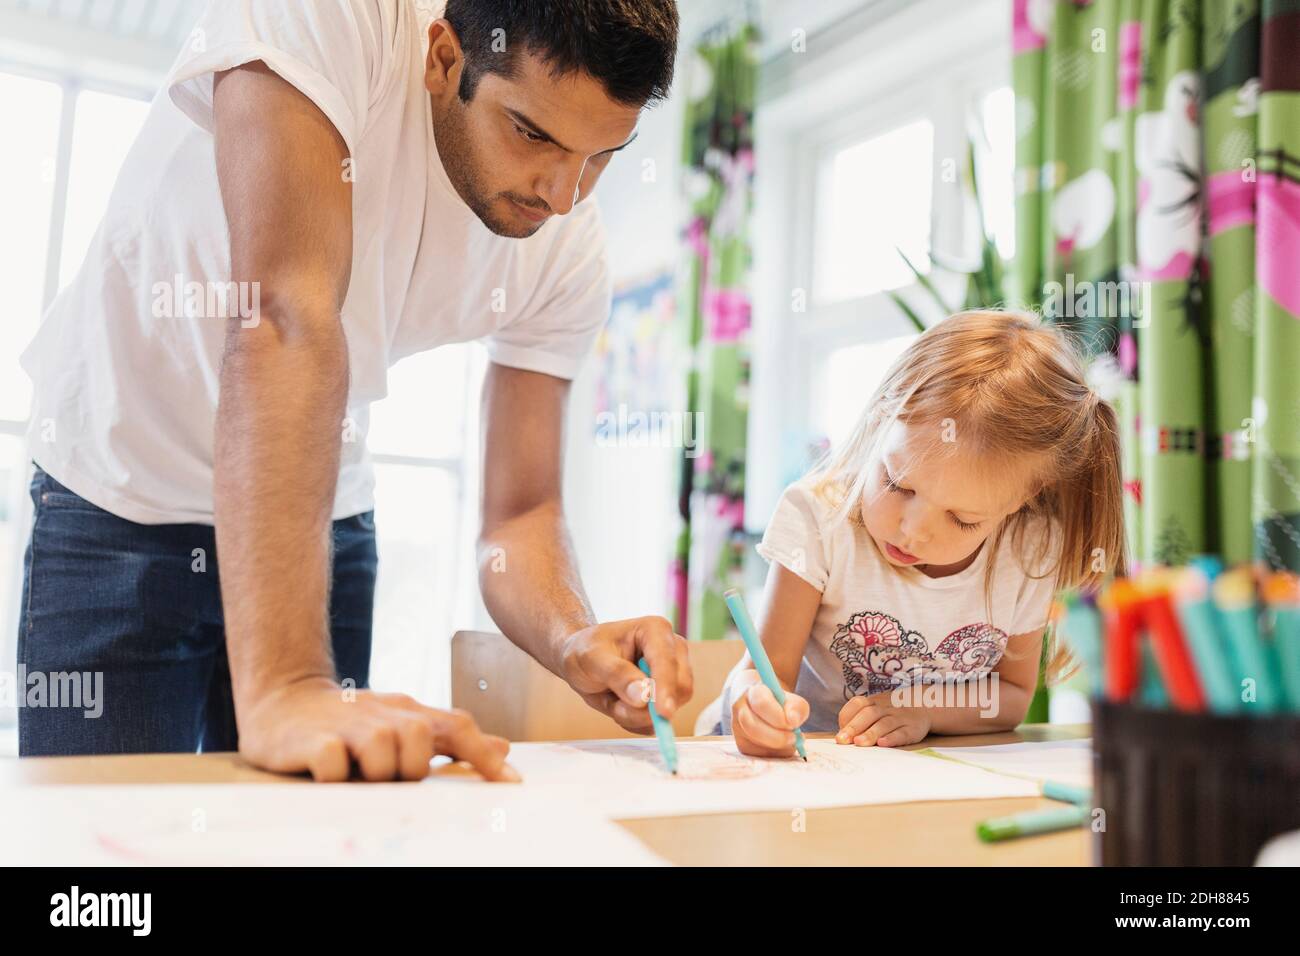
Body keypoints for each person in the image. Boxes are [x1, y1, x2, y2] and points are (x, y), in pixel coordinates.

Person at [17, 0, 692, 781]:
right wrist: (288, 687)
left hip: (319, 515)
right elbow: (284, 314)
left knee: (303, 844)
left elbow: (521, 513)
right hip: (120, 491)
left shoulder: (569, 245)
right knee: (106, 859)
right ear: (442, 59)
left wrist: (574, 637)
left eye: (603, 153)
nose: (565, 194)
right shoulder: (331, 15)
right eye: (533, 133)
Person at [721, 310, 1127, 755]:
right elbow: (764, 671)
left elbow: (1011, 695)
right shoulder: (818, 519)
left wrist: (923, 710)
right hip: (797, 765)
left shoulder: (1030, 551)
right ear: (881, 420)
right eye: (897, 483)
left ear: (1023, 500)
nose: (912, 531)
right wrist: (751, 704)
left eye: (962, 518)